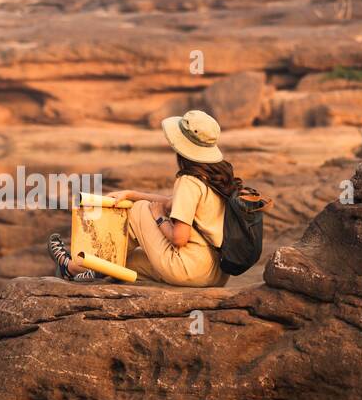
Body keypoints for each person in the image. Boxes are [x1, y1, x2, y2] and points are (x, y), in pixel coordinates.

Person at [48, 109, 235, 287]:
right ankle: (95, 270)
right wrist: (132, 194)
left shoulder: (189, 181)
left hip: (188, 268)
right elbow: (172, 202)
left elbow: (179, 239)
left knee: (138, 210)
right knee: (127, 260)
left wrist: (159, 218)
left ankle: (71, 267)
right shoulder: (216, 177)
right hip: (215, 275)